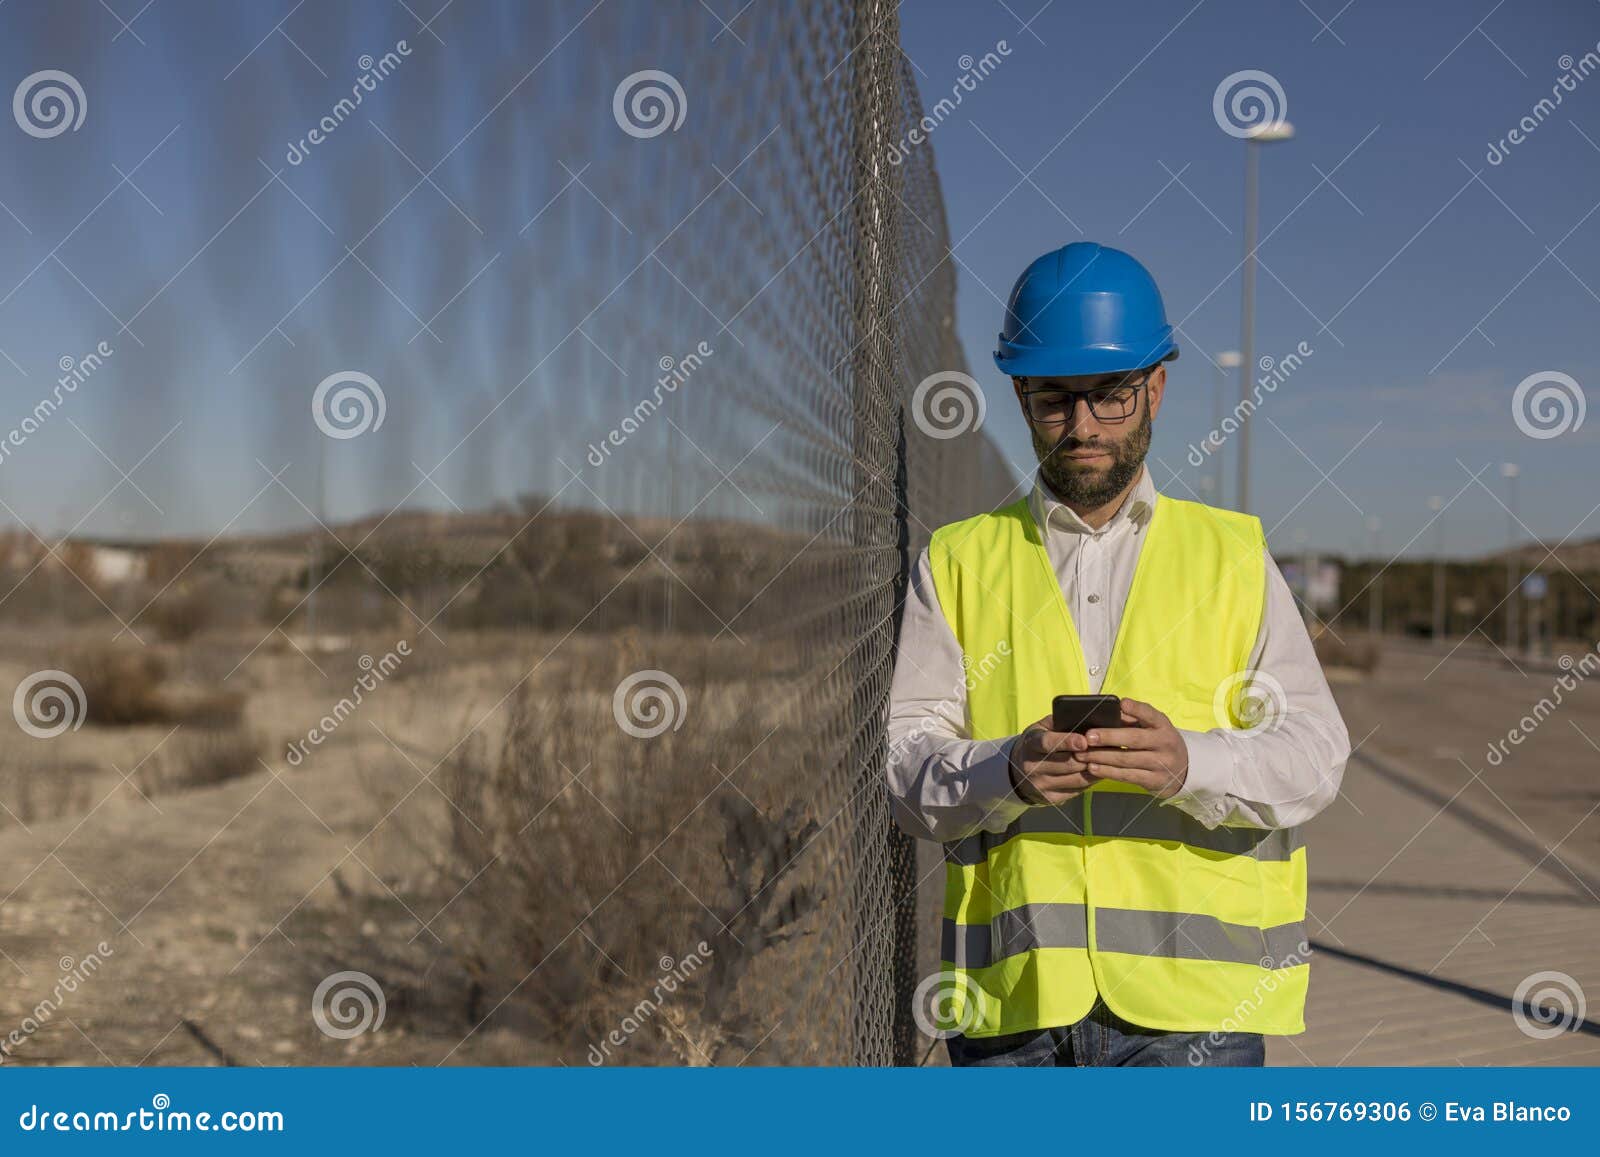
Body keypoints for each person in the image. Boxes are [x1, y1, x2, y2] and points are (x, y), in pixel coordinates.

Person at [885, 241, 1351, 1067]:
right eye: (1056, 400)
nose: (1084, 426)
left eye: (1111, 396)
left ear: (1156, 388)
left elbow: (1315, 758)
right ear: (1021, 396)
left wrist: (1189, 763)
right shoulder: (958, 561)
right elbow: (906, 771)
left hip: (1196, 1018)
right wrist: (1007, 772)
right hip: (1014, 1015)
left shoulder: (1232, 557)